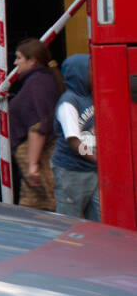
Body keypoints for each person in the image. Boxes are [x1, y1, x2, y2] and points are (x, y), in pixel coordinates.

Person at [8, 37, 64, 211]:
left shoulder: (37, 83)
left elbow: (39, 126)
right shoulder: (42, 80)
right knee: (34, 209)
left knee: (44, 210)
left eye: (18, 58)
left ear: (32, 60)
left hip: (38, 159)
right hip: (38, 157)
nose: (15, 62)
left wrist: (33, 164)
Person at [52, 54, 98, 220]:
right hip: (71, 172)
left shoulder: (92, 97)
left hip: (92, 171)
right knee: (68, 220)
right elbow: (73, 140)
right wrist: (98, 159)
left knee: (99, 220)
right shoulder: (68, 102)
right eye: (91, 69)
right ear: (80, 74)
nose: (96, 72)